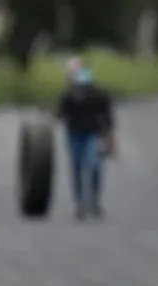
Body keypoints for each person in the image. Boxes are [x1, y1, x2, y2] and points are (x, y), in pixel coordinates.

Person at [55, 65, 115, 219]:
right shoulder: (68, 95)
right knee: (77, 167)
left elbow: (108, 118)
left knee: (94, 165)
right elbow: (60, 114)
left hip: (93, 134)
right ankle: (80, 203)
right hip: (75, 134)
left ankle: (94, 201)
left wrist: (109, 139)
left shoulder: (100, 95)